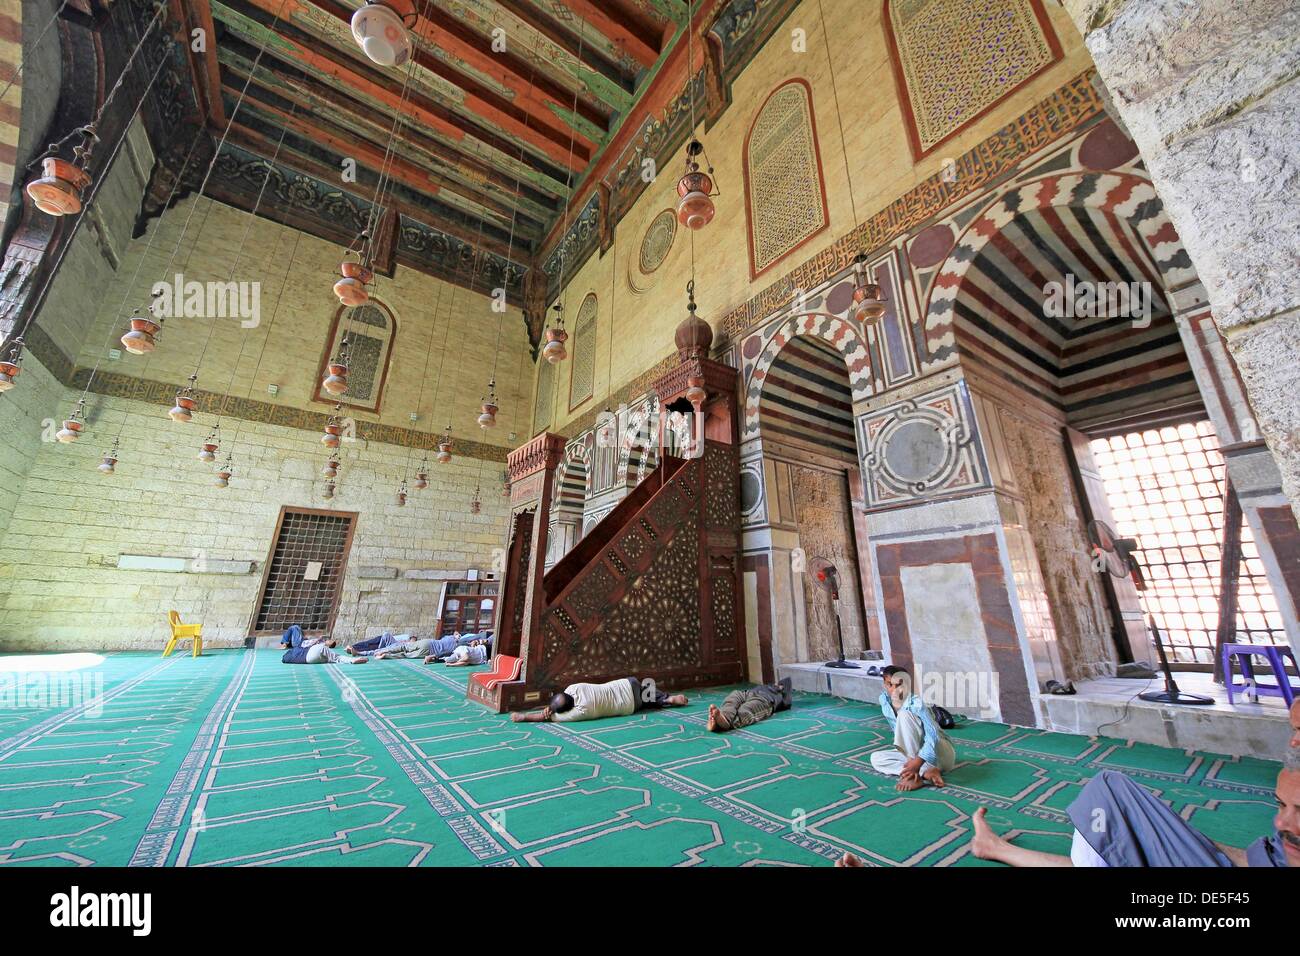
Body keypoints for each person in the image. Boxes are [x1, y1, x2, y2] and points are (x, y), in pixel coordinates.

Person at [871, 665, 955, 791]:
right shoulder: (884, 701)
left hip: (940, 753)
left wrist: (917, 762)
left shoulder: (916, 703)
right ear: (884, 684)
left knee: (904, 715)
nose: (894, 689)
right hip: (918, 755)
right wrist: (914, 761)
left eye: (899, 685)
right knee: (876, 758)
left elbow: (933, 735)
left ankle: (912, 776)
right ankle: (925, 773)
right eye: (890, 684)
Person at [512, 677, 688, 722]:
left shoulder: (581, 711)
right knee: (644, 689)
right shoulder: (574, 688)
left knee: (646, 701)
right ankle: (667, 698)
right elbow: (561, 697)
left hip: (630, 705)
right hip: (627, 683)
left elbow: (546, 718)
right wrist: (550, 705)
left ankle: (666, 700)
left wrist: (525, 717)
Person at [706, 678, 793, 732]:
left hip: (764, 700)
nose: (777, 684)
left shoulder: (779, 696)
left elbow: (787, 700)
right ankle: (723, 717)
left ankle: (722, 723)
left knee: (746, 710)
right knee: (733, 697)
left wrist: (781, 690)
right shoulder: (767, 686)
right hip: (748, 693)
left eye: (781, 685)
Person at [282, 639, 367, 665]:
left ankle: (352, 659)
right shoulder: (297, 650)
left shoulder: (288, 656)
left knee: (332, 659)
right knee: (336, 658)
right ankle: (352, 660)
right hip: (315, 652)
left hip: (310, 660)